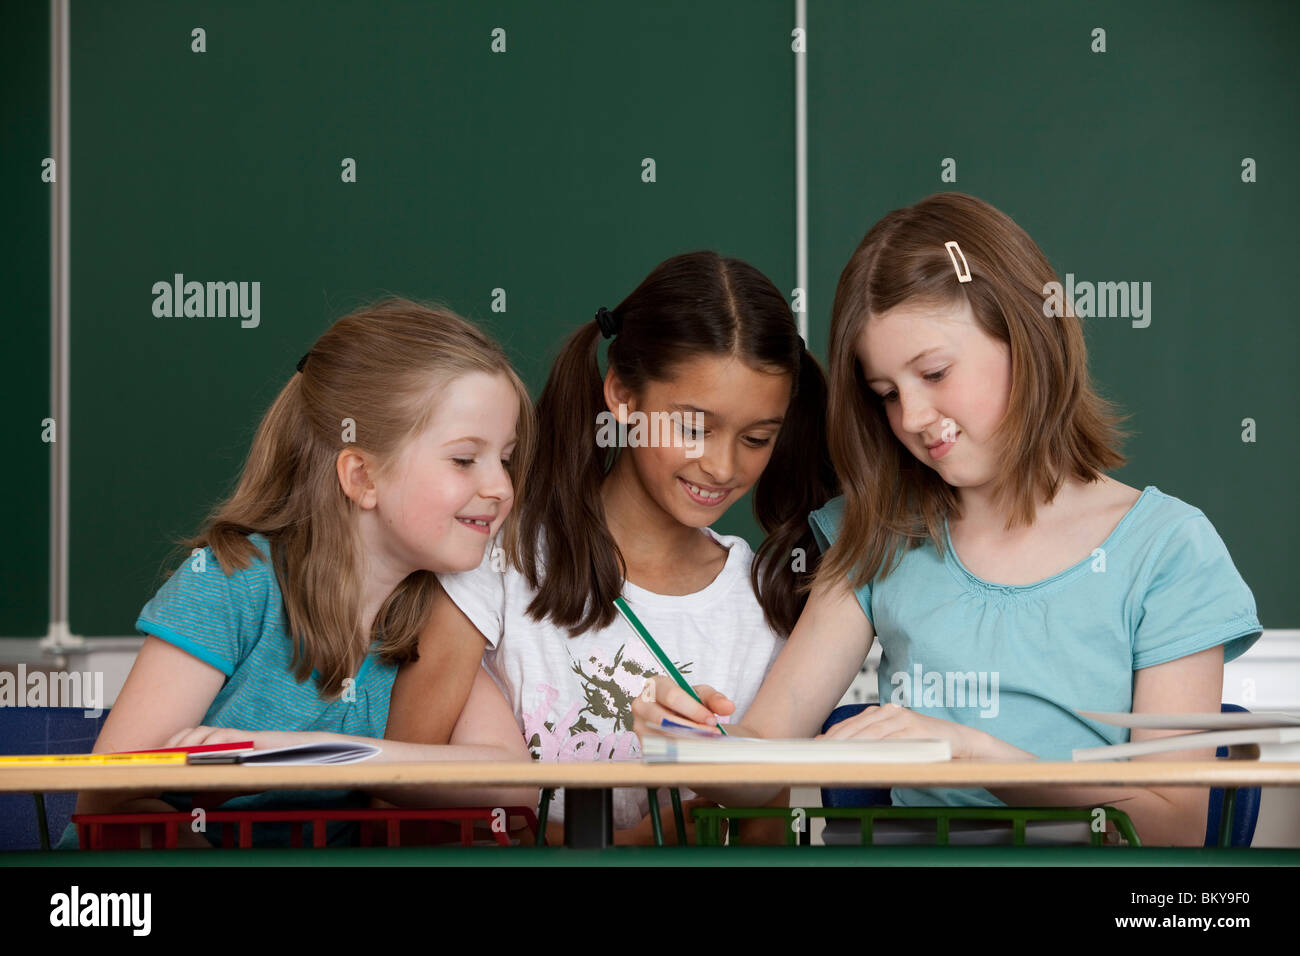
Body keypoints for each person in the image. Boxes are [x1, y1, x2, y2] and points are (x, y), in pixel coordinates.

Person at [633, 195, 1261, 847]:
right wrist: (693, 742)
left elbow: (1171, 826)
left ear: (1026, 334)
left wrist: (974, 755)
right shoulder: (877, 535)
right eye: (886, 395)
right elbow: (762, 755)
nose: (911, 417)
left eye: (934, 372)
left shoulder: (1168, 549)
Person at [390, 251, 837, 843]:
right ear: (622, 397)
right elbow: (395, 784)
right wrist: (629, 846)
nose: (724, 465)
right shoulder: (496, 557)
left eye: (757, 438)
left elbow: (763, 836)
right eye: (693, 428)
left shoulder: (763, 603)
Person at [60, 298, 537, 848]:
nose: (501, 486)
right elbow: (108, 798)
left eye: (506, 457)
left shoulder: (430, 613)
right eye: (464, 459)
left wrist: (314, 757)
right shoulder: (230, 581)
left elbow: (512, 785)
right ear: (361, 476)